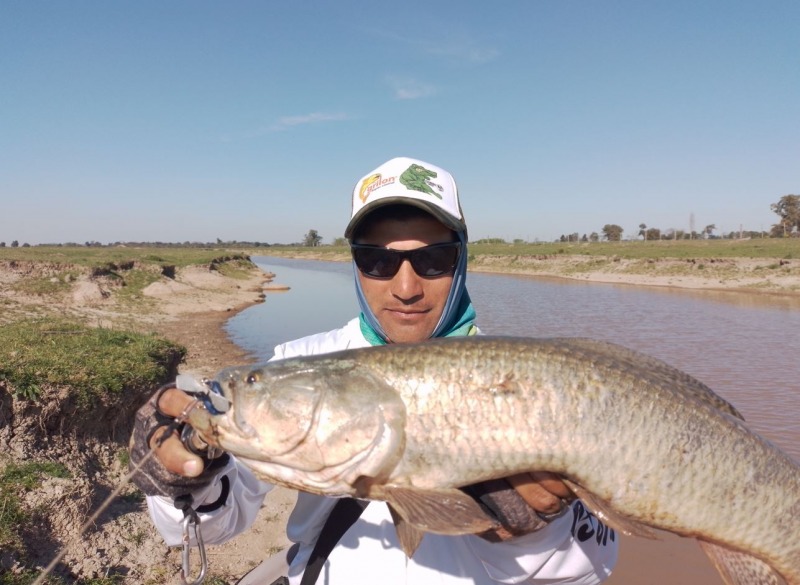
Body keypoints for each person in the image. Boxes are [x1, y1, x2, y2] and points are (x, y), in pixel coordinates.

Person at [129, 157, 618, 584]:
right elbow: (209, 528)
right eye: (378, 262)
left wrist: (534, 531)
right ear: (355, 266)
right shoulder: (293, 368)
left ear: (463, 259)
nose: (406, 287)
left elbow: (593, 566)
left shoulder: (532, 386)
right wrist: (183, 478)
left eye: (432, 259)